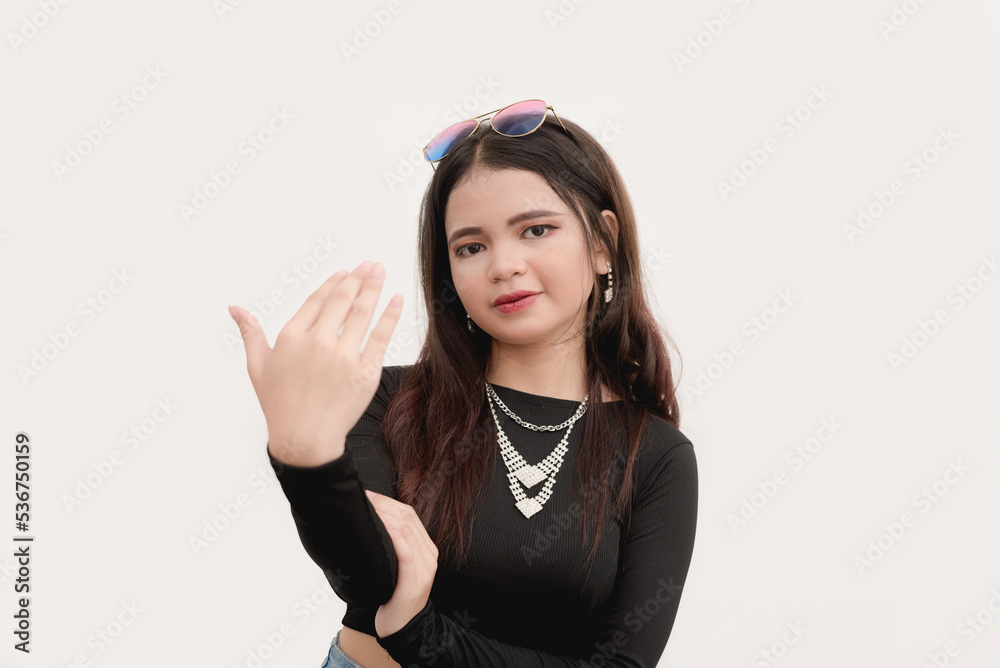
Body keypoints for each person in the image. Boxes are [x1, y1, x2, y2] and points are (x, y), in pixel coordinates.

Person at [230, 99, 699, 667]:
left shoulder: (656, 456)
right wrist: (303, 456)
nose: (504, 265)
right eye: (471, 247)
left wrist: (419, 634)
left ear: (602, 243)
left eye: (536, 230)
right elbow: (370, 581)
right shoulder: (385, 400)